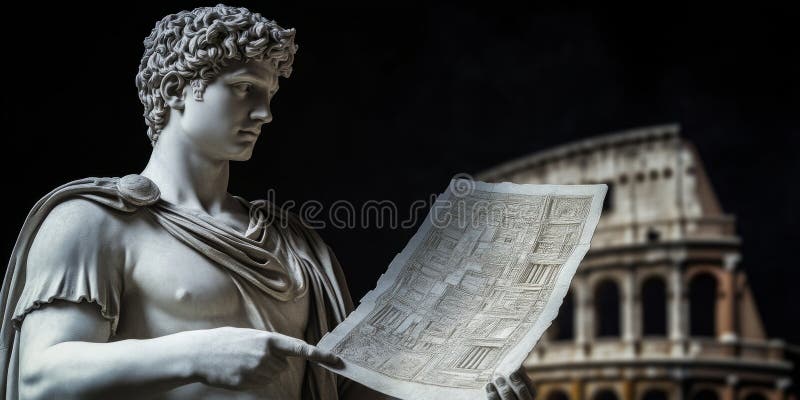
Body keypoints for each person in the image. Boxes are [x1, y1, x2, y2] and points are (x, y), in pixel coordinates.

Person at [0, 4, 536, 399]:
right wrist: (195, 354)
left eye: (271, 96)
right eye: (244, 90)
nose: (265, 114)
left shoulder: (293, 244)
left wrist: (462, 386)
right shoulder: (94, 223)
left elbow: (340, 389)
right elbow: (40, 377)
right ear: (177, 89)